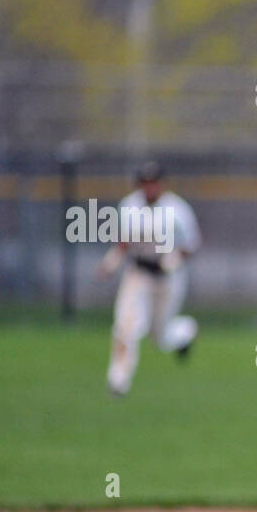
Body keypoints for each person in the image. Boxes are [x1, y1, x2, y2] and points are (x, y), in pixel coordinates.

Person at [96, 161, 201, 397]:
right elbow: (123, 244)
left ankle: (186, 331)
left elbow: (191, 245)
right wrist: (110, 263)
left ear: (162, 184)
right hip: (138, 274)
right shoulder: (129, 206)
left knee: (159, 336)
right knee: (126, 326)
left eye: (153, 182)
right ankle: (118, 381)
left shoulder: (177, 210)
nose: (149, 187)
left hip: (167, 279)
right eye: (145, 183)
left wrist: (173, 259)